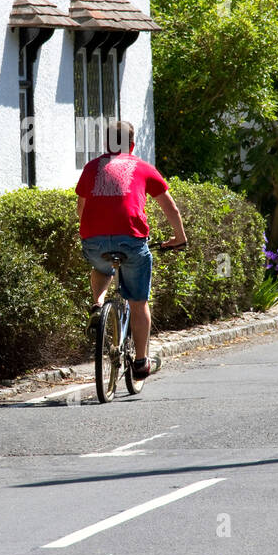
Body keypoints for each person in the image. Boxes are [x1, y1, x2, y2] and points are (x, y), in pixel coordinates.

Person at [75, 120, 186, 380]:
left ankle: (98, 305)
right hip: (131, 240)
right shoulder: (143, 167)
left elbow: (81, 208)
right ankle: (141, 362)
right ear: (132, 145)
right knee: (138, 302)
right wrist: (179, 238)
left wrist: (95, 232)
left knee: (101, 267)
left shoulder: (91, 167)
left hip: (94, 241)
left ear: (106, 144)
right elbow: (170, 208)